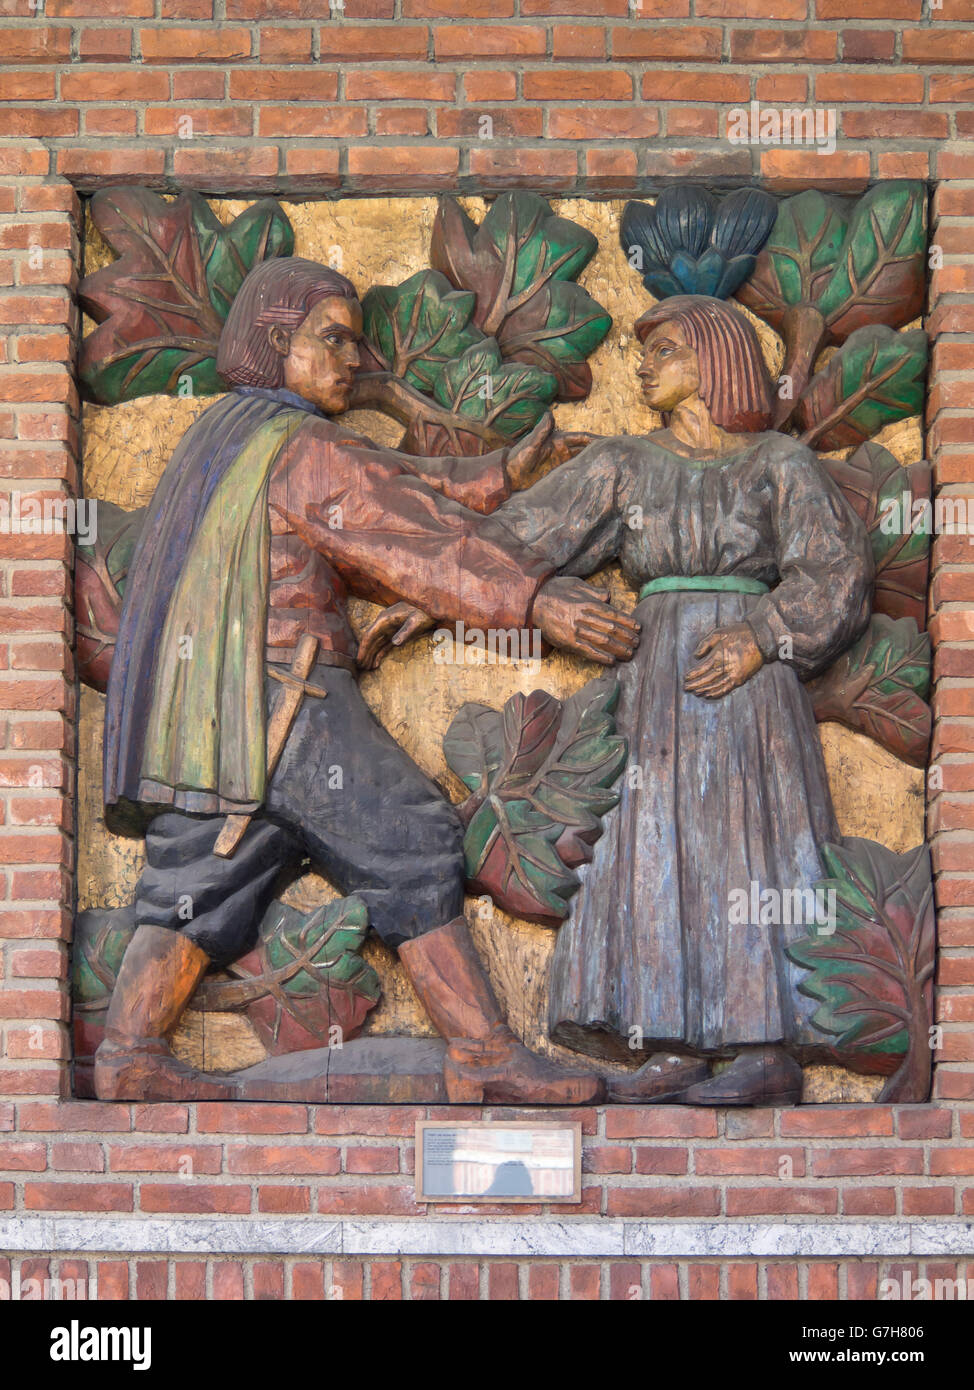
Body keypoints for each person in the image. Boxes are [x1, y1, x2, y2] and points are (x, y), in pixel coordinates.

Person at [95, 257, 639, 1106]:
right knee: (413, 839)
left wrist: (500, 473)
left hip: (211, 713)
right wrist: (532, 598)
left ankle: (127, 1050)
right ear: (278, 344)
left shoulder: (231, 434)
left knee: (198, 873)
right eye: (333, 338)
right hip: (292, 701)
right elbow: (404, 535)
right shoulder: (297, 446)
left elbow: (391, 488)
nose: (354, 358)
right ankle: (485, 1052)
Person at [488, 295, 874, 1106]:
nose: (643, 365)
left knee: (749, 848)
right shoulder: (625, 464)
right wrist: (559, 606)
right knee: (651, 843)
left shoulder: (777, 462)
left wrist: (763, 633)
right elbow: (514, 543)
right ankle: (664, 1031)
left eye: (663, 349)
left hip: (751, 685)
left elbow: (836, 571)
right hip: (656, 676)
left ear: (716, 358)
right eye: (644, 353)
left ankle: (766, 1042)